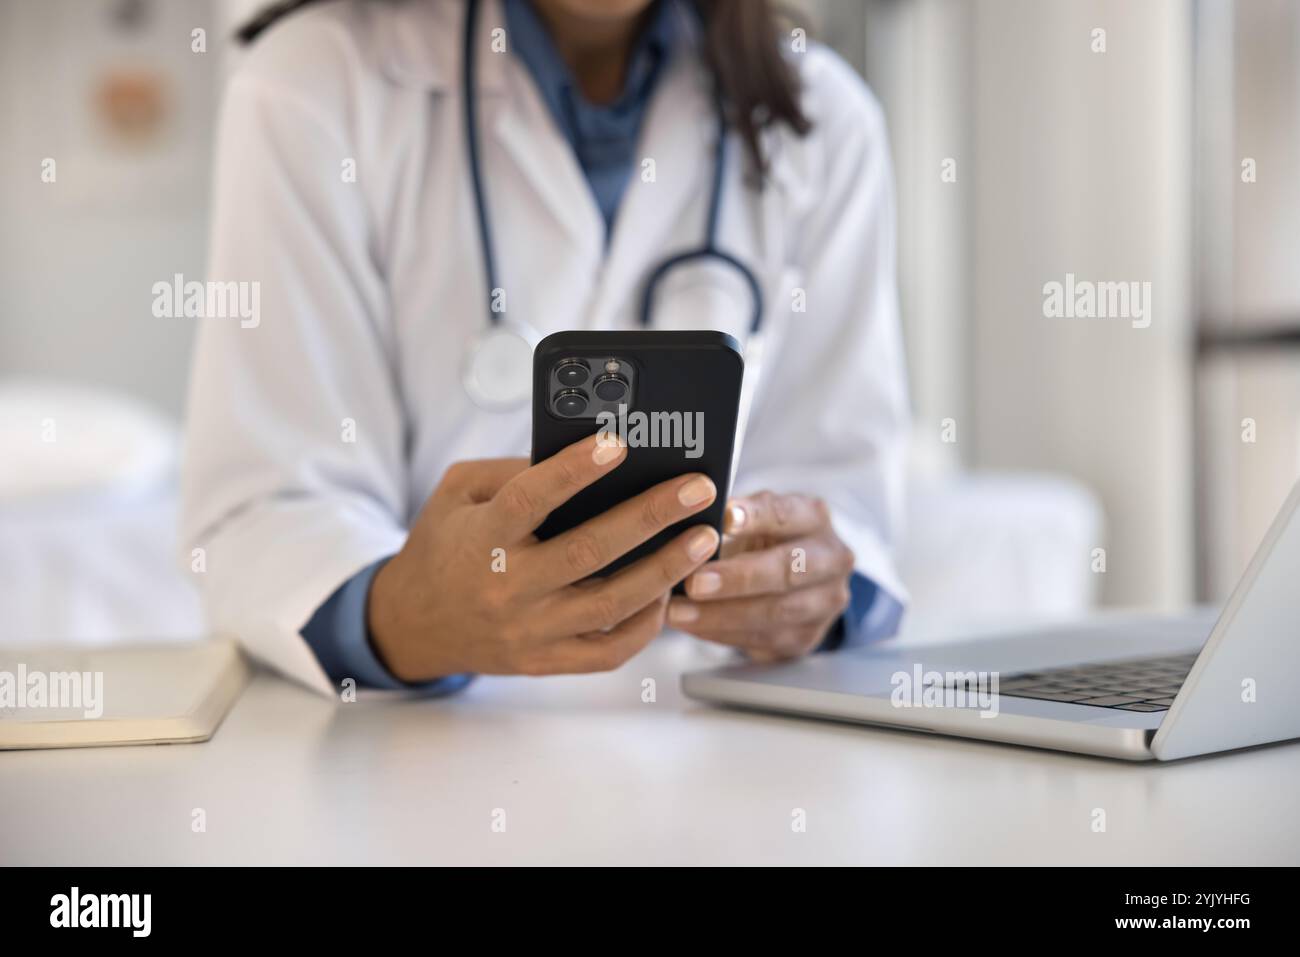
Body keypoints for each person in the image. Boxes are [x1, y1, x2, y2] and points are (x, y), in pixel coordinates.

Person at [180, 0, 909, 697]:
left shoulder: (826, 117)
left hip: (720, 741)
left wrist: (811, 590)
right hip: (419, 751)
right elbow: (270, 507)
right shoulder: (311, 83)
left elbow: (844, 492)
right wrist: (403, 614)